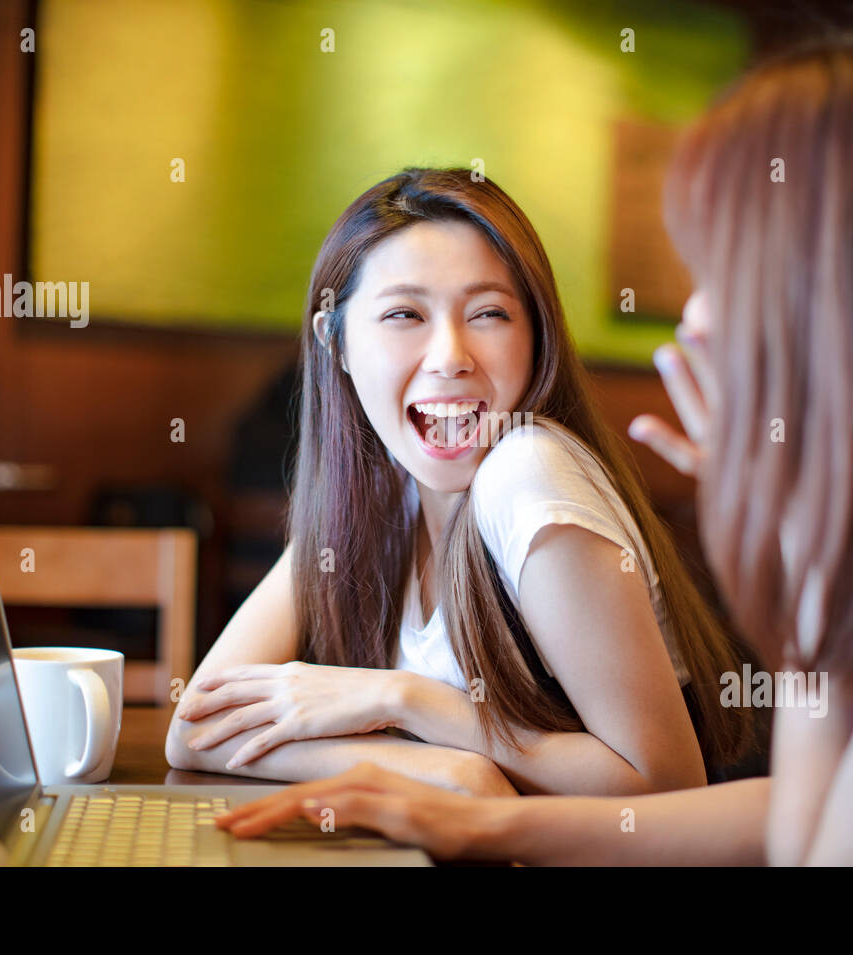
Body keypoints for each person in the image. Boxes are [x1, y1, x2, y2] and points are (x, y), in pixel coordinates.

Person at [214, 24, 853, 865]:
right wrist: (482, 815)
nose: (695, 313)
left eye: (729, 264)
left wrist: (799, 563)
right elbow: (808, 817)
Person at [166, 169, 759, 796]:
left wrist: (404, 699)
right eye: (404, 313)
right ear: (333, 343)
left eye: (489, 313)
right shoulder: (382, 489)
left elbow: (661, 783)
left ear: (536, 337)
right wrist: (447, 769)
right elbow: (198, 729)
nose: (451, 354)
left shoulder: (528, 471)